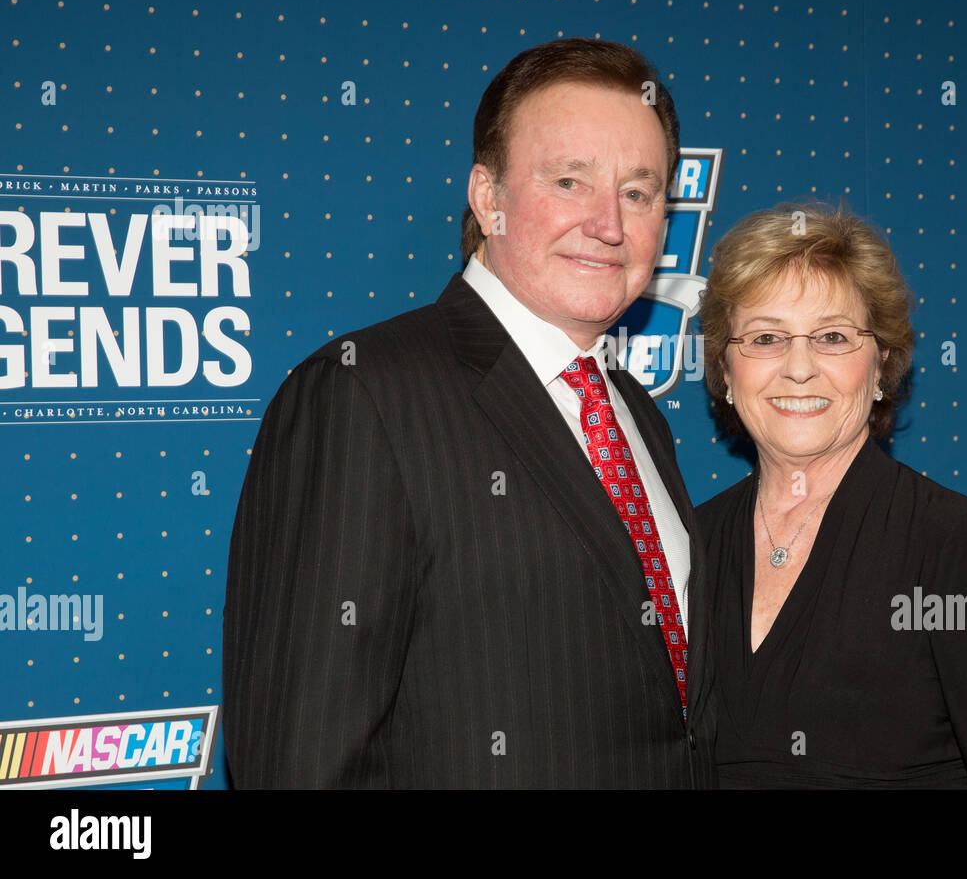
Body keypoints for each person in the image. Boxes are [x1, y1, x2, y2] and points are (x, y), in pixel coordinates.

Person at [223, 38, 717, 788]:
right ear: (489, 200)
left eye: (639, 192)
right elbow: (301, 763)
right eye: (569, 181)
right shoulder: (361, 395)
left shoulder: (636, 413)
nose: (609, 224)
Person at [694, 201, 967, 788]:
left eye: (832, 337)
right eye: (766, 337)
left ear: (881, 363)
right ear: (725, 367)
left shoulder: (950, 544)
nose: (798, 368)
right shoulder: (690, 543)